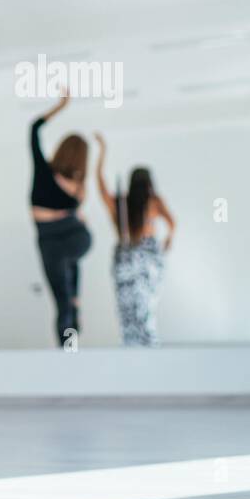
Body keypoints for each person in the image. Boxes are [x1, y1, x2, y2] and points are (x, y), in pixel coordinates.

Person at [94, 134, 176, 346]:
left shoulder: (122, 203)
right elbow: (172, 224)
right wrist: (168, 241)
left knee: (127, 314)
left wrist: (102, 153)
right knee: (146, 309)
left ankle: (132, 349)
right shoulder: (153, 201)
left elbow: (101, 187)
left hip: (125, 256)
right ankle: (149, 347)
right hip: (149, 257)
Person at [29, 92, 91, 347]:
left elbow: (33, 129)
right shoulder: (79, 188)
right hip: (78, 236)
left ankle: (67, 348)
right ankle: (75, 308)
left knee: (61, 300)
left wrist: (59, 107)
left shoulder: (43, 171)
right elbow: (77, 215)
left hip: (50, 239)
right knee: (70, 279)